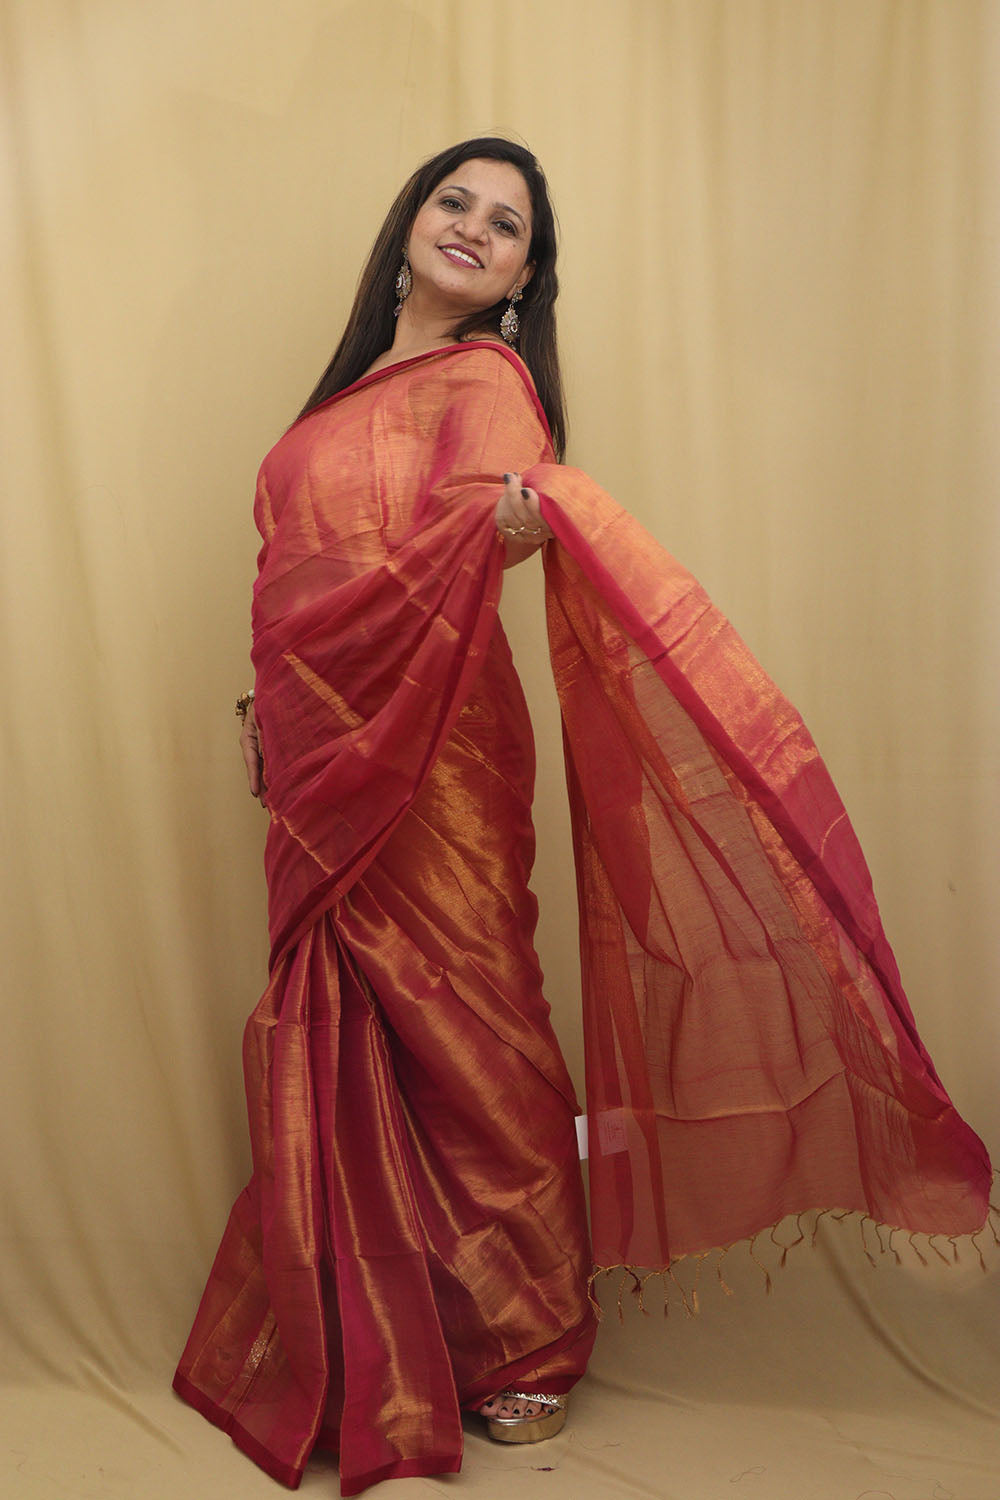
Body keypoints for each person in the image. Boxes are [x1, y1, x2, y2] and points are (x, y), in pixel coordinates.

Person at [173, 138, 992, 1499]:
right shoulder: (344, 397)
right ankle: (380, 1323)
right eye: (457, 202)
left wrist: (511, 522)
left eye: (507, 227)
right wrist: (272, 710)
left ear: (519, 280)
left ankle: (525, 1330)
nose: (476, 229)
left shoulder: (488, 382)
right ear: (411, 221)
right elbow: (297, 576)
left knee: (471, 1032)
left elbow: (490, 520)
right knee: (344, 1028)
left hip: (435, 757)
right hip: (320, 765)